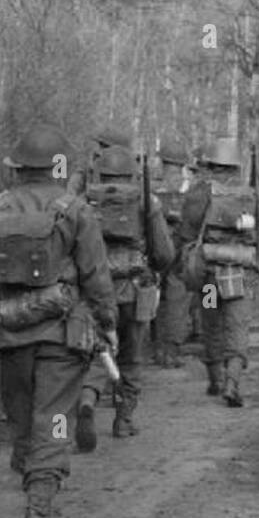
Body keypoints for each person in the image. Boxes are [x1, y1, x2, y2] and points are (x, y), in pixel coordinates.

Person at [0, 123, 116, 518]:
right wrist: (107, 320)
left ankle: (28, 468)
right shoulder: (75, 209)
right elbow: (95, 275)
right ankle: (41, 506)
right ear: (59, 166)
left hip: (9, 330)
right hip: (62, 332)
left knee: (21, 410)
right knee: (54, 417)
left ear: (18, 168)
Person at [75, 144, 173, 448]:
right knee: (131, 357)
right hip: (133, 290)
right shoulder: (147, 201)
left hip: (92, 293)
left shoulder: (81, 202)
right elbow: (164, 253)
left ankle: (88, 400)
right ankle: (124, 420)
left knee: (95, 351)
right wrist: (154, 269)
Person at [176, 138, 259, 408]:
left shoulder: (199, 193)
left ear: (211, 164)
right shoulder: (251, 194)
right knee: (238, 326)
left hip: (209, 278)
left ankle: (215, 380)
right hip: (241, 277)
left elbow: (185, 234)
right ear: (234, 166)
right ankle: (232, 382)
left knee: (211, 323)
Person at [152, 143, 191, 368]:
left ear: (163, 162)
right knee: (178, 298)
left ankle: (157, 348)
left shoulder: (152, 187)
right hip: (181, 248)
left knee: (156, 297)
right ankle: (172, 352)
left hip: (156, 248)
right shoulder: (190, 188)